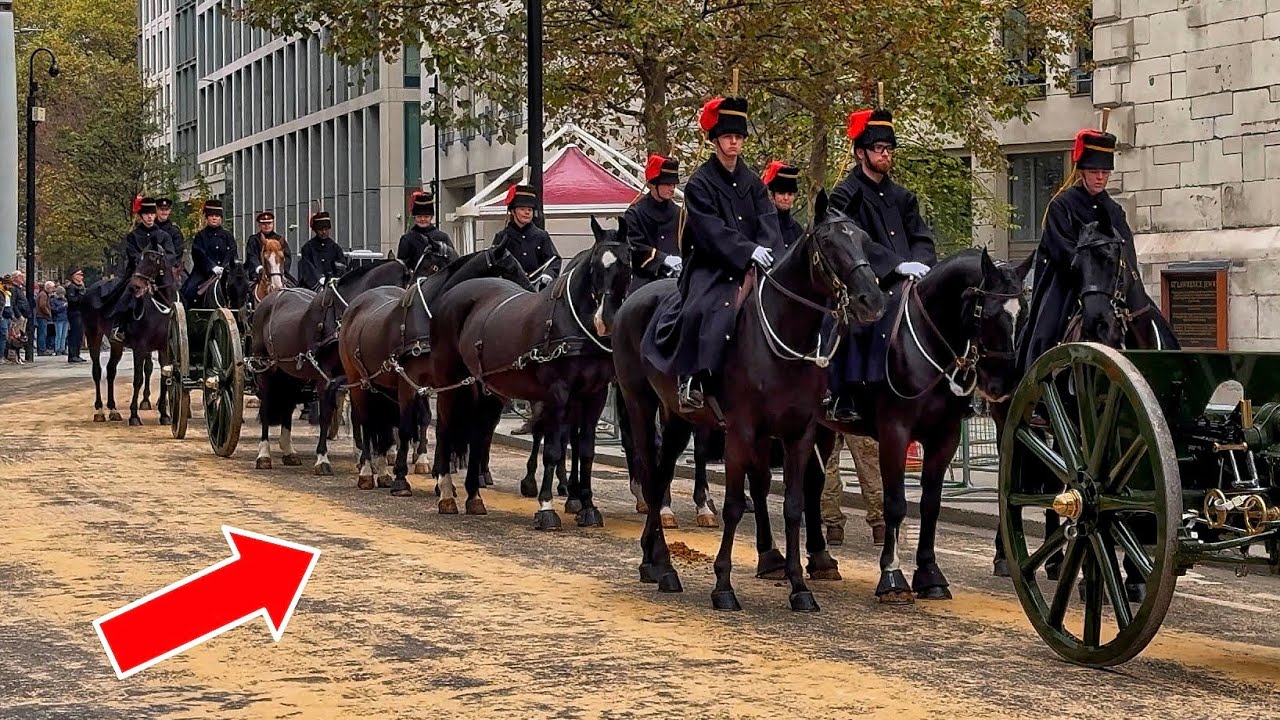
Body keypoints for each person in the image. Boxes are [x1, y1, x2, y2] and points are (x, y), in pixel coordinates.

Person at [643, 95, 783, 411]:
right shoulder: (700, 183)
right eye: (727, 137)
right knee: (700, 310)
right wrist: (747, 250)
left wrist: (767, 249)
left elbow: (768, 220)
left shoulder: (753, 182)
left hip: (756, 264)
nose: (734, 143)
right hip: (712, 265)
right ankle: (694, 376)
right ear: (715, 141)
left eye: (738, 137)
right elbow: (710, 230)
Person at [826, 107, 937, 423]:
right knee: (854, 324)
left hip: (908, 280)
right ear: (861, 152)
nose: (886, 154)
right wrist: (896, 266)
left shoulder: (903, 196)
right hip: (862, 280)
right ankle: (845, 394)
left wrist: (921, 265)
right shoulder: (844, 194)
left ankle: (948, 388)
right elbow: (851, 240)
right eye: (879, 149)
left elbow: (921, 236)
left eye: (889, 149)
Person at [1017, 128, 1135, 371]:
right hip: (1069, 281)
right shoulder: (1061, 205)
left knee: (1147, 317)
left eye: (1105, 172)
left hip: (1110, 286)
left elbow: (1127, 250)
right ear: (1082, 172)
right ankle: (1036, 374)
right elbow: (1062, 250)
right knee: (1046, 329)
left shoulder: (1114, 211)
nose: (1100, 177)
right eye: (1094, 172)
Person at [623, 154, 682, 293]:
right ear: (652, 184)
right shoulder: (634, 214)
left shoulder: (681, 214)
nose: (672, 188)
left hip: (678, 279)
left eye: (673, 184)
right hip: (645, 280)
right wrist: (663, 259)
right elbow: (634, 247)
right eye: (667, 184)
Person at [495, 184, 560, 289]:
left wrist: (549, 274)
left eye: (530, 210)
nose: (527, 213)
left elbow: (553, 260)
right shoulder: (502, 237)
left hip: (537, 289)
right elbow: (494, 264)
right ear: (513, 211)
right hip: (509, 290)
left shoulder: (541, 236)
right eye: (522, 209)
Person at [181, 199, 239, 306]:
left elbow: (232, 252)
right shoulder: (200, 236)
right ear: (207, 217)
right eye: (211, 215)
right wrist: (212, 267)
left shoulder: (228, 236)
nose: (214, 218)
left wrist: (224, 267)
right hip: (203, 273)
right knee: (189, 291)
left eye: (217, 216)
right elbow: (198, 254)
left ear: (221, 218)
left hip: (225, 273)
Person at [396, 191, 454, 272]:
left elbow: (452, 262)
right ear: (414, 217)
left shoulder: (442, 237)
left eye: (426, 216)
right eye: (419, 216)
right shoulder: (407, 239)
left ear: (431, 217)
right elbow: (402, 267)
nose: (423, 219)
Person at [299, 210, 346, 290]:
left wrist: (333, 280)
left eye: (326, 229)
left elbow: (341, 267)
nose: (324, 232)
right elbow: (307, 268)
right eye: (320, 230)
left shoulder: (335, 248)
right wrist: (318, 281)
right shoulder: (307, 248)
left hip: (332, 287)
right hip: (311, 287)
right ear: (315, 230)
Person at [762, 161, 804, 249]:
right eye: (781, 193)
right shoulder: (762, 224)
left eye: (790, 194)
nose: (786, 198)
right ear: (772, 195)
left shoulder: (797, 231)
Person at [245, 210, 292, 282]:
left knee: (295, 286)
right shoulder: (253, 239)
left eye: (269, 223)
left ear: (273, 224)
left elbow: (287, 256)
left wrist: (281, 270)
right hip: (258, 274)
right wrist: (259, 268)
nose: (267, 226)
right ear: (259, 225)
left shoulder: (279, 239)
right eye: (264, 224)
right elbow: (252, 256)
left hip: (279, 273)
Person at [155, 197, 186, 273]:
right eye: (162, 210)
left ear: (169, 211)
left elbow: (178, 251)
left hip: (171, 267)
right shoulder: (151, 229)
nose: (164, 212)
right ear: (157, 210)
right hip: (151, 266)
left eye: (166, 210)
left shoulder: (175, 231)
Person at [65, 269, 87, 363]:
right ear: (74, 276)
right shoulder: (71, 287)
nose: (81, 277)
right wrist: (81, 296)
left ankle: (77, 354)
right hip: (74, 313)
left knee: (79, 335)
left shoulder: (80, 287)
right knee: (74, 334)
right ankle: (73, 355)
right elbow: (72, 300)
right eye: (79, 275)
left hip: (81, 312)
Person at [34, 281, 52, 356]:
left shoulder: (43, 294)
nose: (52, 289)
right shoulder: (43, 295)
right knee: (42, 333)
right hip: (42, 316)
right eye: (52, 288)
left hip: (41, 316)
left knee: (42, 333)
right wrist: (48, 312)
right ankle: (42, 350)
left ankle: (41, 349)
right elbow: (42, 305)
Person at [51, 286, 68, 355]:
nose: (62, 295)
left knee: (64, 335)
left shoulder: (65, 300)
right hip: (58, 319)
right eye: (61, 294)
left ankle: (63, 348)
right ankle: (57, 349)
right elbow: (55, 310)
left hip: (65, 319)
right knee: (59, 335)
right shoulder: (53, 300)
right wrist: (63, 306)